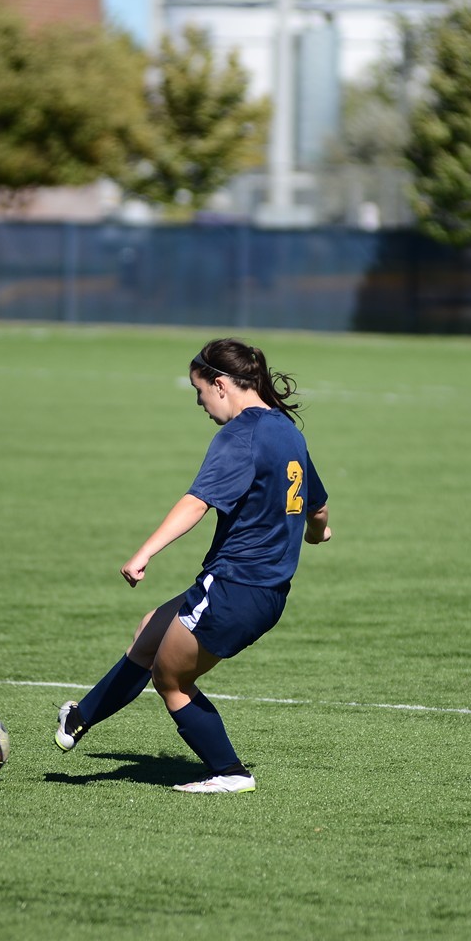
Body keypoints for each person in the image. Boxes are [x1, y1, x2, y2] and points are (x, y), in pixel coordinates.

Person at [54, 337, 330, 794]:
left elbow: (198, 502)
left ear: (221, 384)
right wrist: (318, 534)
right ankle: (79, 719)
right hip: (264, 590)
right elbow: (316, 510)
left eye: (199, 390)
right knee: (150, 632)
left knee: (171, 678)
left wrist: (145, 552)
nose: (200, 402)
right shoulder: (287, 431)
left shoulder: (240, 435)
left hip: (235, 588)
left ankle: (229, 772)